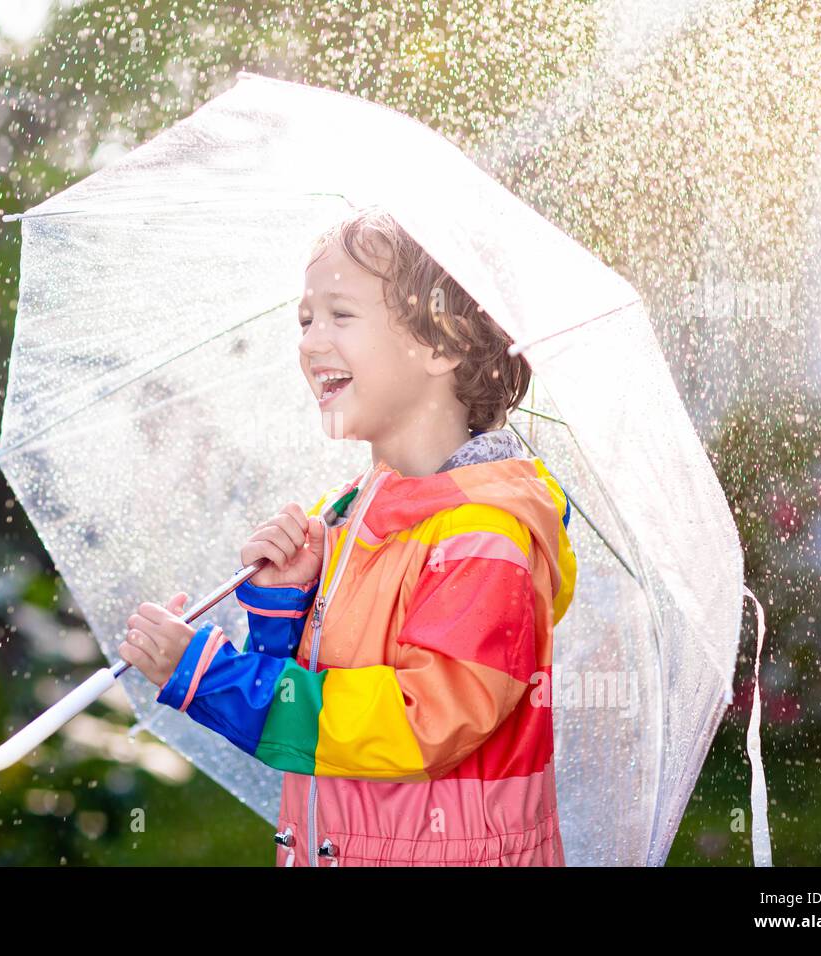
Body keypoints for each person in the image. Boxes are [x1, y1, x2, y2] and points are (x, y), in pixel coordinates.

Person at [120, 206, 577, 866]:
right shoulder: (348, 519)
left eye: (340, 314)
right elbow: (316, 702)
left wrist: (211, 678)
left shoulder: (485, 537)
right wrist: (284, 607)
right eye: (305, 319)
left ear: (441, 343)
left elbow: (420, 721)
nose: (309, 342)